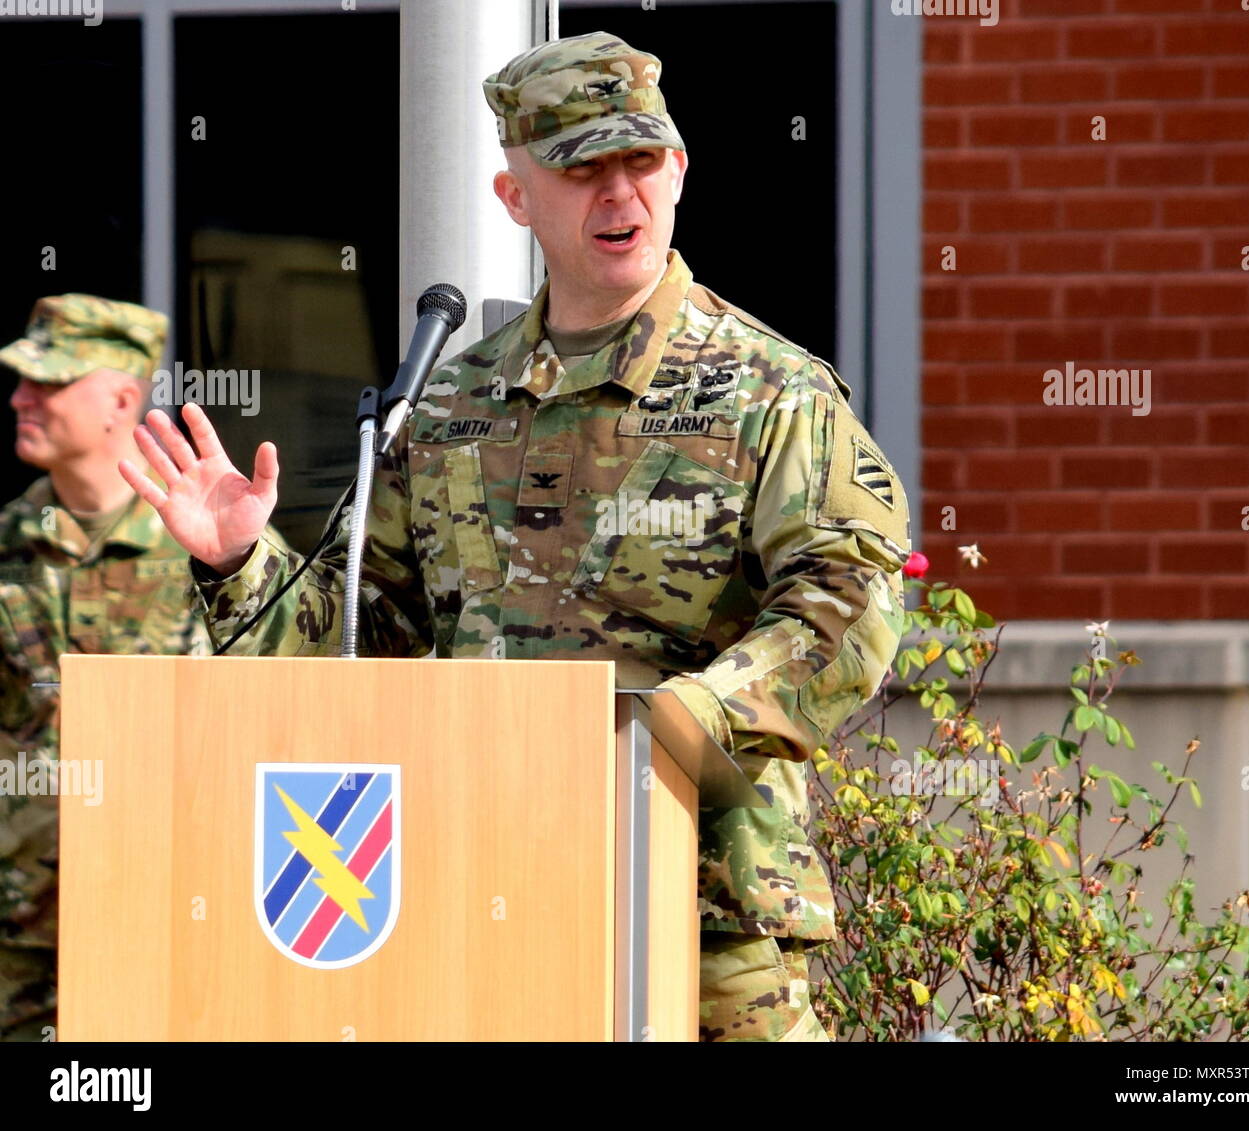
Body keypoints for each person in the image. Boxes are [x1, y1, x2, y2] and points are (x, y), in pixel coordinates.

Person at [122, 31, 911, 1042]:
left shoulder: (770, 390)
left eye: (639, 161)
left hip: (701, 919)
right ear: (516, 198)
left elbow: (848, 610)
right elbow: (373, 640)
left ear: (677, 169)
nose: (618, 195)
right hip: (484, 898)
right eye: (582, 169)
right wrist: (240, 559)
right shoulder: (454, 400)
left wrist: (682, 723)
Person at [0, 295, 206, 1040]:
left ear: (123, 397)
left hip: (167, 914)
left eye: (49, 381)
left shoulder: (210, 553)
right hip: (21, 930)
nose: (22, 397)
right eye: (22, 380)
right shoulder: (7, 547)